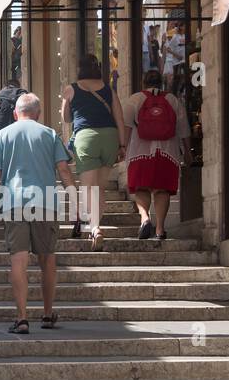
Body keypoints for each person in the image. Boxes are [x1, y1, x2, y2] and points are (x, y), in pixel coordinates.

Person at [0, 93, 76, 334]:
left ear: (15, 113)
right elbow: (64, 170)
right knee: (47, 258)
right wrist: (76, 201)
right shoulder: (50, 134)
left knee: (19, 259)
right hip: (45, 201)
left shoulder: (3, 135)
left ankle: (22, 318)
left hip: (13, 202)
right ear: (39, 113)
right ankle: (47, 313)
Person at [60, 54, 126, 245]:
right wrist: (122, 145)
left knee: (88, 187)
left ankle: (95, 227)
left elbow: (66, 118)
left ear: (79, 69)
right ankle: (95, 226)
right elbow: (119, 118)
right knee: (99, 188)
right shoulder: (108, 89)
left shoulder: (71, 89)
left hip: (86, 138)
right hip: (110, 137)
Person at [123, 69, 191, 240]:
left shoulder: (134, 99)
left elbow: (126, 127)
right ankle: (160, 229)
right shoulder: (172, 100)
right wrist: (188, 153)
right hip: (167, 153)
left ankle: (145, 218)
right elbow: (184, 130)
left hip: (139, 153)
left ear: (143, 83)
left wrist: (122, 148)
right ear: (161, 83)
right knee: (162, 190)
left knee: (141, 188)